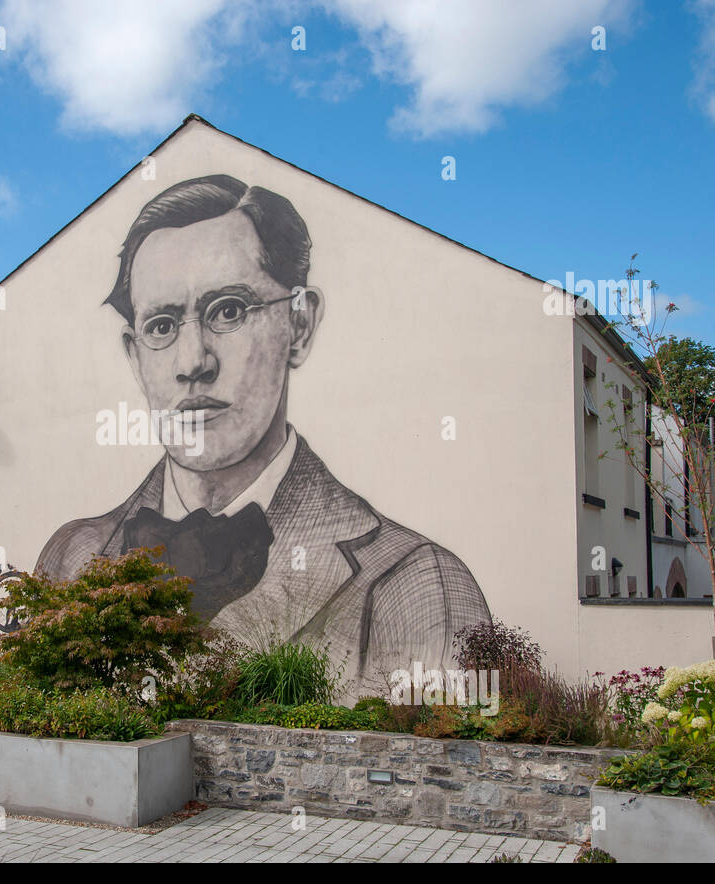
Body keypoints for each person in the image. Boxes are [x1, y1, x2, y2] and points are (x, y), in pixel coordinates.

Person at [35, 174, 490, 690]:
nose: (193, 363)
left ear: (299, 324)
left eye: (228, 311)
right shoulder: (73, 556)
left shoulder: (417, 581)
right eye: (161, 326)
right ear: (133, 355)